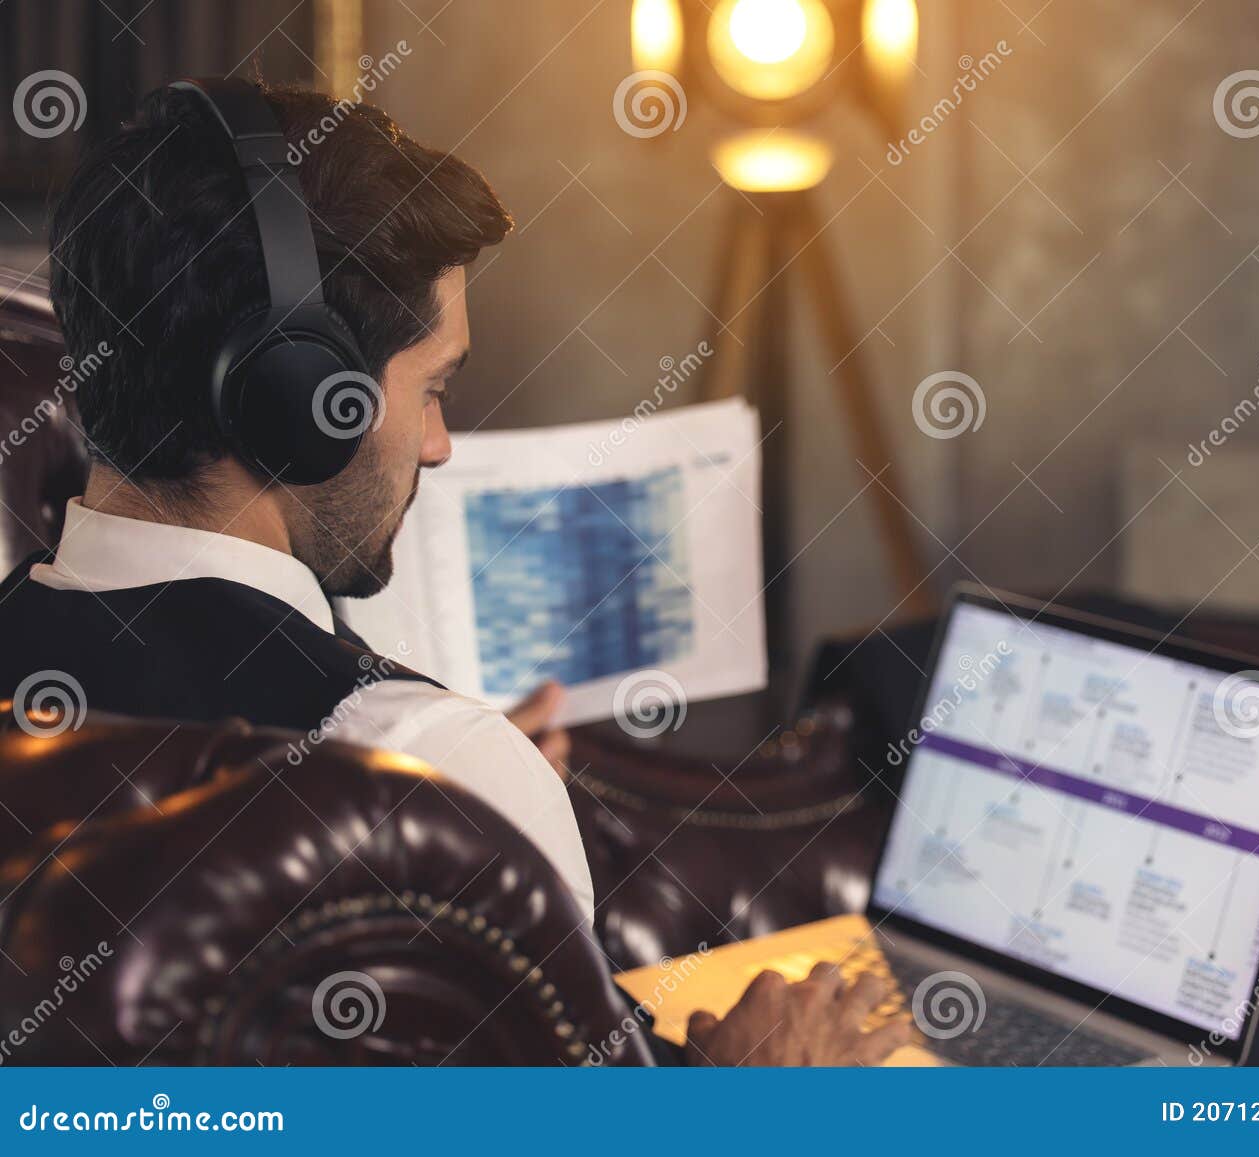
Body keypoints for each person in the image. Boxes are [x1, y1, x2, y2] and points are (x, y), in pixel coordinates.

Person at [0, 78, 907, 1068]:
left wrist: (443, 797)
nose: (437, 444)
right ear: (293, 399)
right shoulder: (435, 764)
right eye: (432, 389)